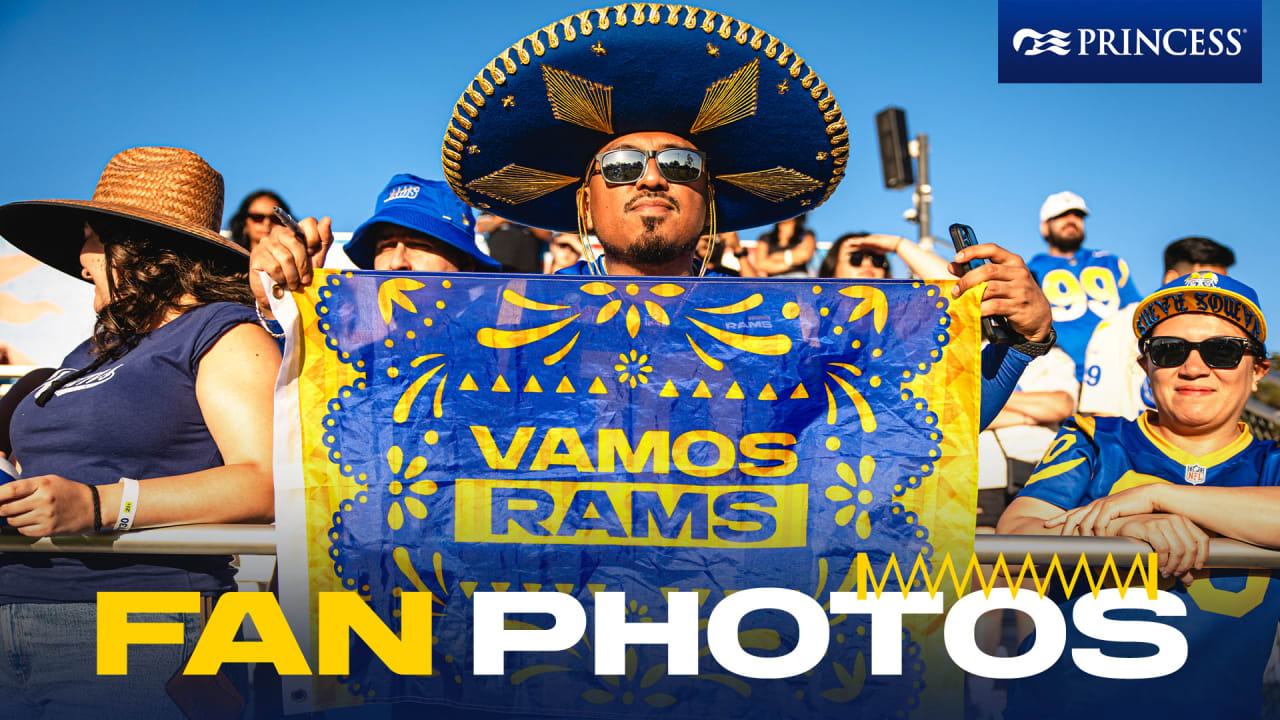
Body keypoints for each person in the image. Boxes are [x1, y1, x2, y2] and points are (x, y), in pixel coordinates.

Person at [433, 5, 1053, 429]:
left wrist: (1023, 343)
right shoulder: (508, 327)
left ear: (712, 201)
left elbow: (919, 426)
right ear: (585, 202)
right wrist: (332, 322)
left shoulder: (790, 329)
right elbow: (385, 417)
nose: (651, 177)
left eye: (680, 164)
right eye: (620, 165)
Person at [0, 146, 279, 718]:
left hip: (133, 626)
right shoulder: (89, 352)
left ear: (142, 249)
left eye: (92, 239)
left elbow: (268, 482)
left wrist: (100, 505)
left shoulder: (222, 332)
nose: (80, 259)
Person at [997, 273, 1280, 719]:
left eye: (1222, 351)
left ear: (1257, 371)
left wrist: (1163, 497)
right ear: (1146, 366)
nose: (1193, 367)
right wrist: (1122, 530)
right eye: (1168, 350)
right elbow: (1016, 536)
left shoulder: (1271, 462)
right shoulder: (1095, 437)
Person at [250, 174, 500, 320]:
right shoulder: (345, 343)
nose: (397, 262)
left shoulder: (508, 348)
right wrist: (280, 302)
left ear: (465, 263)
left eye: (419, 243)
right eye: (386, 246)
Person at [1079, 235, 1236, 419]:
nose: (1219, 297)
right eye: (1208, 287)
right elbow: (1103, 418)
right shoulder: (1121, 327)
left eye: (1224, 289)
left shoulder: (1220, 333)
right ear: (1171, 280)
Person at [1027, 191, 1141, 382]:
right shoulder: (1032, 272)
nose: (1072, 220)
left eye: (1078, 215)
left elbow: (1135, 312)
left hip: (1117, 373)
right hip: (1059, 375)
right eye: (1061, 215)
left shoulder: (1110, 262)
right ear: (1044, 227)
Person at [818, 232, 954, 280]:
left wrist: (899, 245)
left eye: (877, 260)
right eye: (856, 259)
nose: (867, 265)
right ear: (831, 271)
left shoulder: (903, 315)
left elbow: (956, 289)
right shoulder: (813, 319)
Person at [476, 214, 553, 273]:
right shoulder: (494, 203)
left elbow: (547, 235)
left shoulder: (537, 209)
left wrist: (523, 219)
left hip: (527, 268)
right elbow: (480, 228)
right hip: (498, 267)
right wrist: (507, 216)